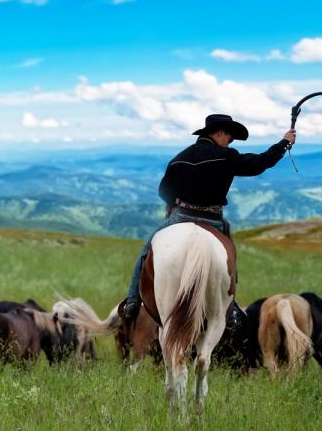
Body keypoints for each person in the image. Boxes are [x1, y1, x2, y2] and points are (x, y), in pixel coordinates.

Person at [120, 114, 295, 323]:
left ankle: (132, 301)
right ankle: (230, 309)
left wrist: (176, 203)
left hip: (180, 216)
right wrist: (284, 143)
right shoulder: (226, 156)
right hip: (213, 220)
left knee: (146, 251)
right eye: (230, 137)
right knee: (229, 257)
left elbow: (163, 190)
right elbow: (259, 163)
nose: (230, 142)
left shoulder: (180, 157)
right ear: (219, 132)